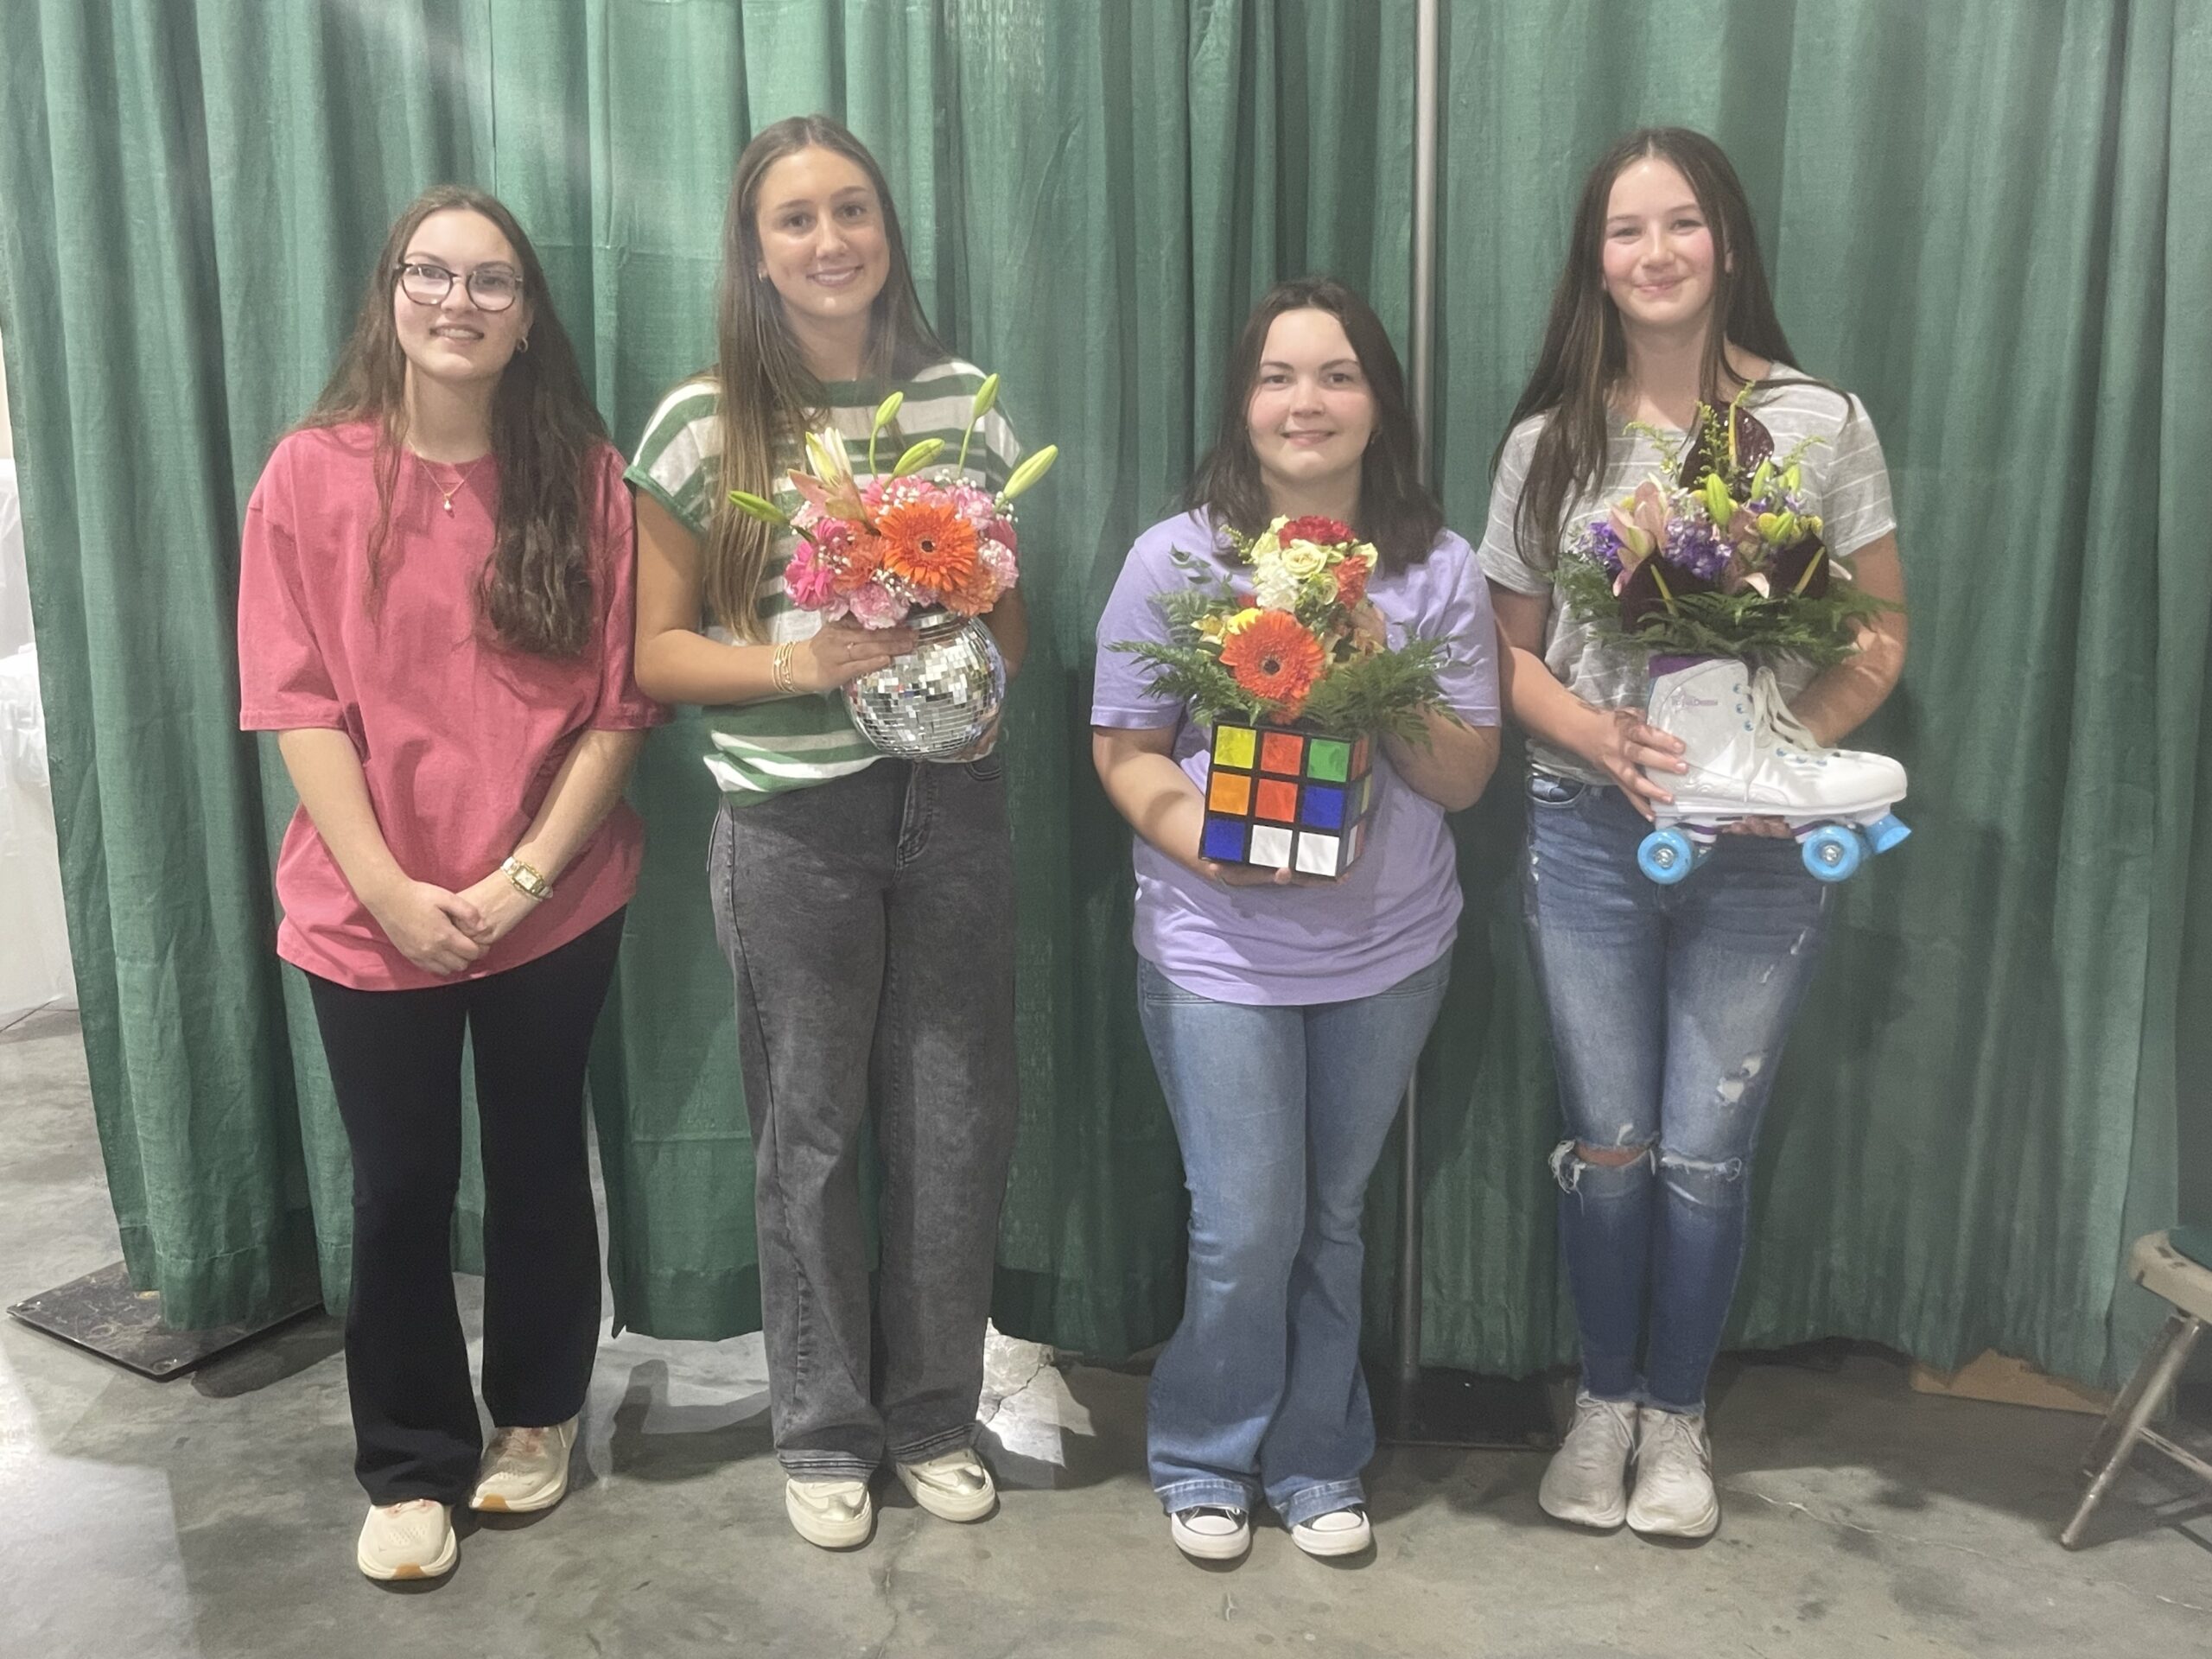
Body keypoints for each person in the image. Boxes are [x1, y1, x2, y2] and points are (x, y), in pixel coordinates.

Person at [1479, 127, 1909, 1539]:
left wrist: (1783, 754)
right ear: (1593, 263)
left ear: (1726, 241)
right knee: (1609, 1145)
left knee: (1706, 1152)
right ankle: (1603, 1398)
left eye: (1681, 224)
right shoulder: (1551, 441)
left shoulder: (1820, 422)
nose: (1654, 253)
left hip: (1765, 858)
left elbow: (1880, 630)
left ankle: (1679, 1417)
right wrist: (1599, 736)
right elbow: (1505, 651)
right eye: (1624, 230)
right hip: (1592, 837)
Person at [238, 185, 662, 1580]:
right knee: (402, 1185)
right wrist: (395, 891)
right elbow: (297, 703)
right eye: (436, 274)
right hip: (366, 914)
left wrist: (527, 876)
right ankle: (411, 1462)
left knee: (542, 1165)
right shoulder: (307, 475)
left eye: (493, 282)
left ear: (529, 316)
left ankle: (536, 1417)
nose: (461, 302)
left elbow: (618, 707)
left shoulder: (589, 482)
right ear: (392, 293)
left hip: (555, 900)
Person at [627, 115, 1025, 1550]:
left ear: (888, 226)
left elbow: (1011, 628)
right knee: (810, 1131)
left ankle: (933, 1415)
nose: (829, 240)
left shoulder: (967, 407)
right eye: (794, 219)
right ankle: (824, 1428)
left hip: (955, 809)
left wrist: (969, 635)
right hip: (790, 827)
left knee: (955, 1126)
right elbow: (657, 658)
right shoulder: (701, 423)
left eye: (851, 208)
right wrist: (811, 664)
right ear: (754, 249)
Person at [1091, 276, 1501, 1562]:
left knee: (1333, 1216)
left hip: (1389, 955)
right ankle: (1207, 1455)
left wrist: (1373, 661)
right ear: (1243, 402)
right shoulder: (1177, 557)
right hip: (1218, 951)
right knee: (1246, 1222)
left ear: (1379, 406)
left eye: (1337, 375)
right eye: (1278, 376)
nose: (1305, 402)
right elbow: (1123, 747)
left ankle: (1318, 1457)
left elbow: (1464, 779)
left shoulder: (1437, 570)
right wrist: (1208, 840)